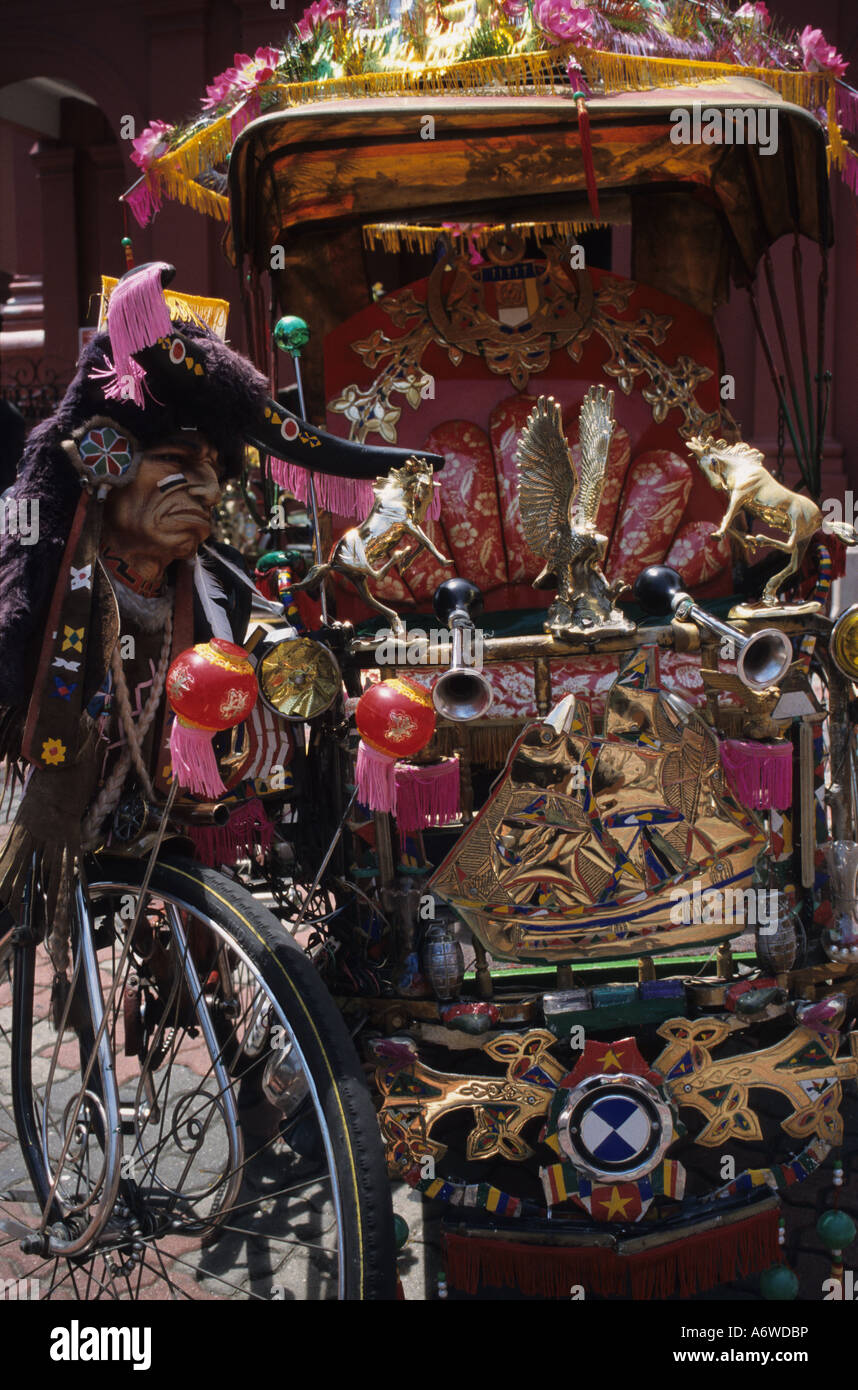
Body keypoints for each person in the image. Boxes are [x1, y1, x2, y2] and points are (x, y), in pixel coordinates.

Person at [0, 261, 442, 989]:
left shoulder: (217, 582)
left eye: (212, 468)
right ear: (103, 464)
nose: (203, 487)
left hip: (181, 814)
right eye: (173, 462)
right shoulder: (49, 579)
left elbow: (264, 637)